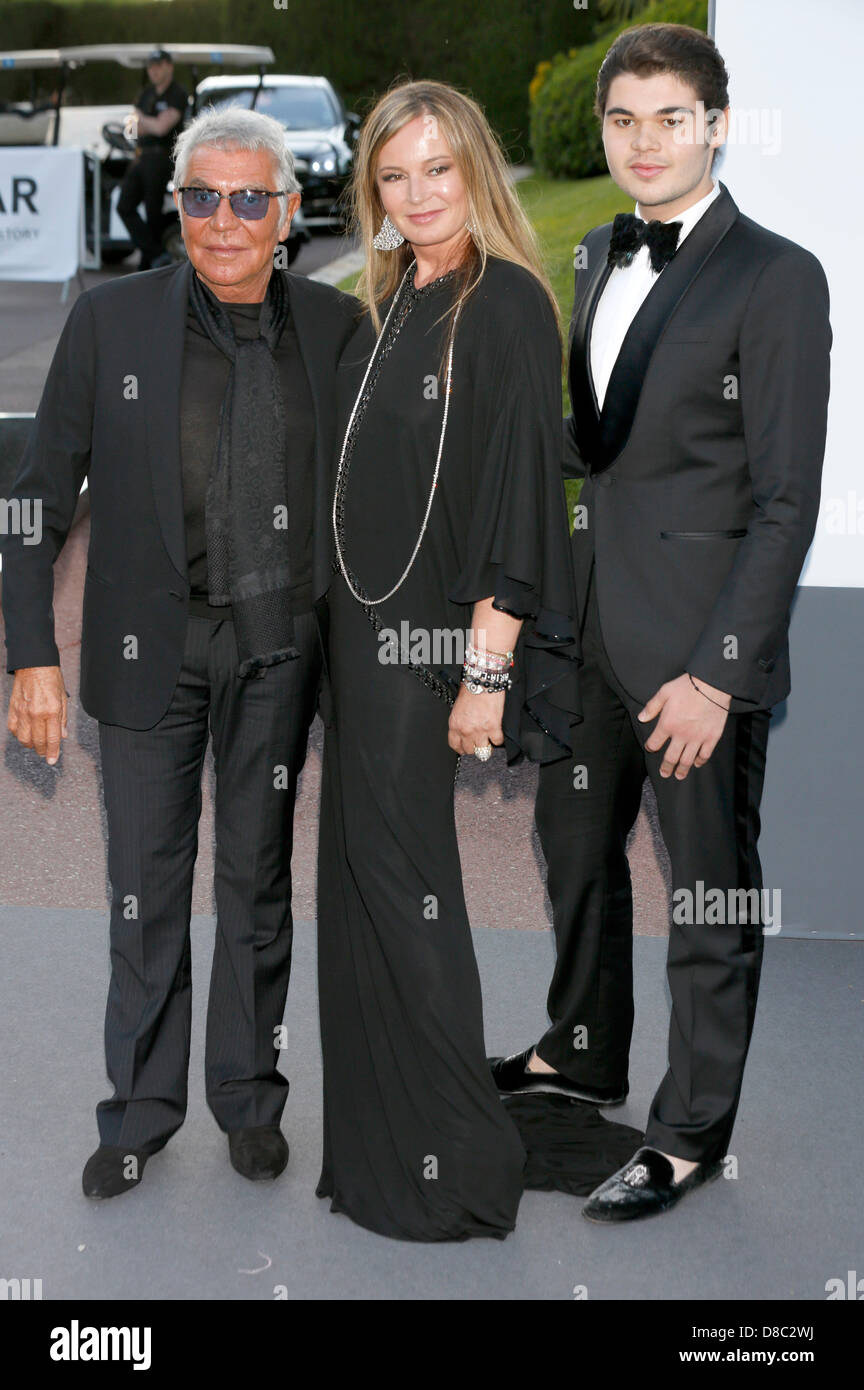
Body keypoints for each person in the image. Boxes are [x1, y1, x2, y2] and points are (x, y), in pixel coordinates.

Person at [491, 22, 832, 1222]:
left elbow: (789, 499)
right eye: (623, 120)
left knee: (708, 893)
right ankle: (581, 1049)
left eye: (669, 119)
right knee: (575, 855)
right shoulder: (594, 252)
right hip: (587, 630)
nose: (643, 141)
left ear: (717, 124)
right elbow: (601, 447)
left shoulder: (781, 275)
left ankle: (687, 1132)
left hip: (696, 652)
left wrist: (721, 674)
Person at [2, 108, 358, 1199]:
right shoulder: (111, 322)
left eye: (250, 198)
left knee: (258, 880)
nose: (224, 220)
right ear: (177, 205)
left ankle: (250, 1100)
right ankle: (140, 1113)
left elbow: (375, 506)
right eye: (202, 196)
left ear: (289, 213)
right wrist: (30, 656)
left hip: (277, 647)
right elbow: (33, 503)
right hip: (143, 643)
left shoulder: (340, 332)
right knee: (142, 888)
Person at [313, 80, 581, 1242]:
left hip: (425, 651)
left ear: (475, 168)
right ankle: (381, 1140)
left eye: (439, 169)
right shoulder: (391, 298)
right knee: (362, 891)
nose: (419, 195)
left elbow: (521, 495)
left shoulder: (507, 303)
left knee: (409, 892)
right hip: (355, 644)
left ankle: (459, 1160)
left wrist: (486, 669)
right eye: (394, 175)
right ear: (372, 187)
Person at [117, 48, 188, 270]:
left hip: (161, 157)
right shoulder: (146, 93)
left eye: (158, 66)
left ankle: (151, 263)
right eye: (150, 67)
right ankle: (155, 254)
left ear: (169, 66)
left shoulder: (177, 93)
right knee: (124, 206)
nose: (153, 71)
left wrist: (143, 121)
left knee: (152, 211)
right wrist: (149, 122)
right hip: (141, 156)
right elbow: (132, 128)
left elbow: (161, 128)